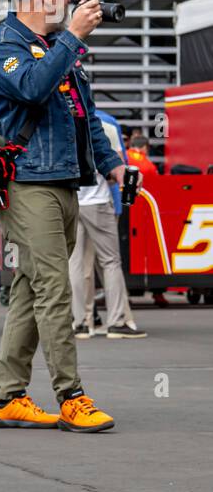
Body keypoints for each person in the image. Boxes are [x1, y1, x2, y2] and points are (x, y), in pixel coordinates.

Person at [0, 0, 124, 434]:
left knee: (30, 288)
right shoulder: (5, 44)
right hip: (26, 182)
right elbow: (32, 87)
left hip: (63, 179)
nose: (71, 3)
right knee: (54, 290)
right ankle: (71, 396)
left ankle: (8, 397)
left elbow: (85, 113)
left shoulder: (55, 46)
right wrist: (73, 38)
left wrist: (111, 163)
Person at [71, 109, 144, 339]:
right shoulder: (103, 124)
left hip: (72, 201)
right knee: (111, 261)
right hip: (99, 201)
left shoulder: (60, 123)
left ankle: (80, 323)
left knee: (75, 264)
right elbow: (113, 167)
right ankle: (116, 321)